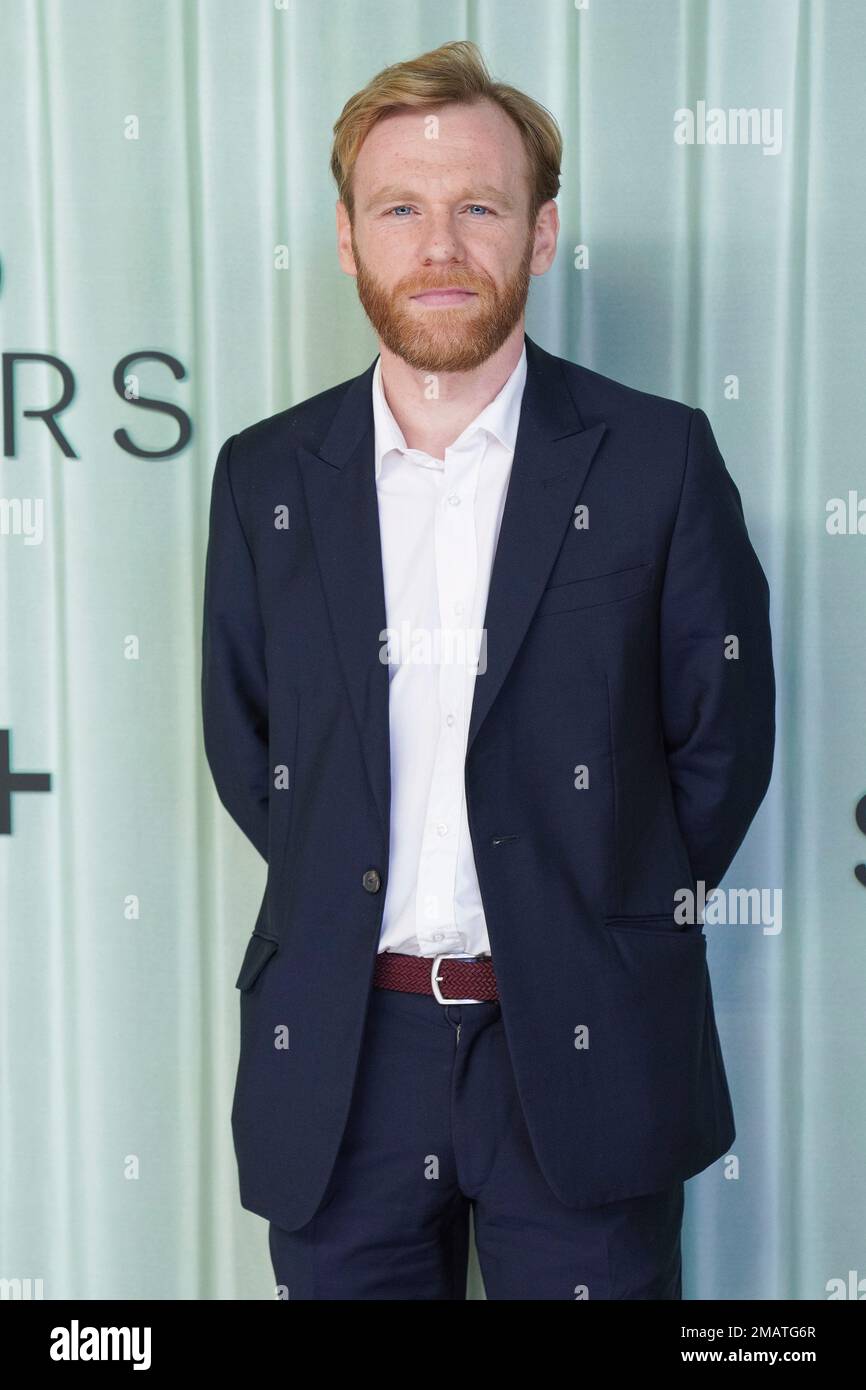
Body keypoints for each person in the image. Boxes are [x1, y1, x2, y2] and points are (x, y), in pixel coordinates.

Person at [201, 40, 775, 1300]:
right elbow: (254, 751)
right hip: (346, 1055)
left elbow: (719, 744)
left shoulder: (655, 461)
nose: (440, 244)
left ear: (541, 231)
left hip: (583, 1040)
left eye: (478, 206)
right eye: (400, 207)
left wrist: (597, 911)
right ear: (348, 240)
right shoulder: (263, 476)